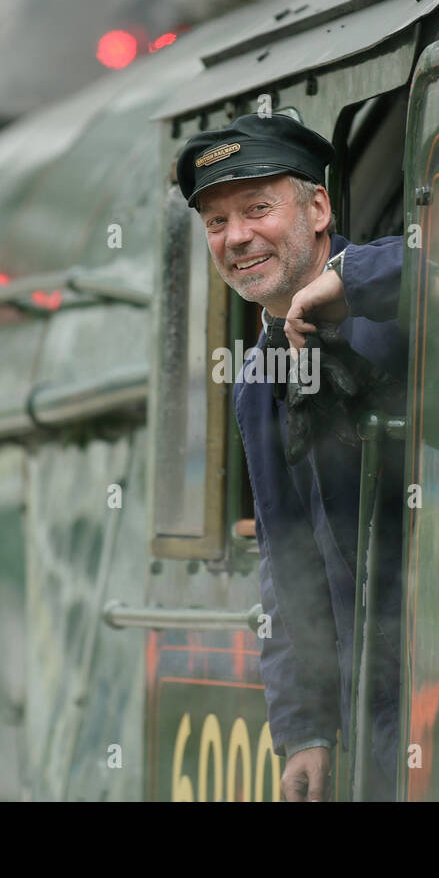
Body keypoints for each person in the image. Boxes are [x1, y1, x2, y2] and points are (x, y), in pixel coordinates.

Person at [176, 113, 407, 801]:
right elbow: (287, 564)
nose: (236, 236)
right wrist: (305, 727)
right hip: (372, 707)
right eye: (216, 222)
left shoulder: (395, 301)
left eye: (256, 208)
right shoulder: (256, 379)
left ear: (319, 207)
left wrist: (351, 278)